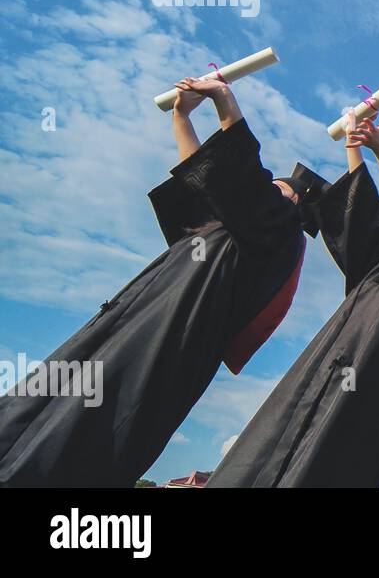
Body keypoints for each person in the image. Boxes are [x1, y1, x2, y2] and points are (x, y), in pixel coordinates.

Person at [0, 76, 307, 486]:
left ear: (294, 208)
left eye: (281, 189)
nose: (271, 189)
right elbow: (204, 177)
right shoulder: (219, 229)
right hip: (132, 315)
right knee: (50, 392)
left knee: (83, 418)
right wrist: (181, 117)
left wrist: (225, 101)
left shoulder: (276, 237)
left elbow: (242, 180)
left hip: (165, 338)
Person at [208, 113, 379, 487]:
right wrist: (356, 151)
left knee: (322, 464)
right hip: (321, 368)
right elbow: (363, 219)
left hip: (369, 386)